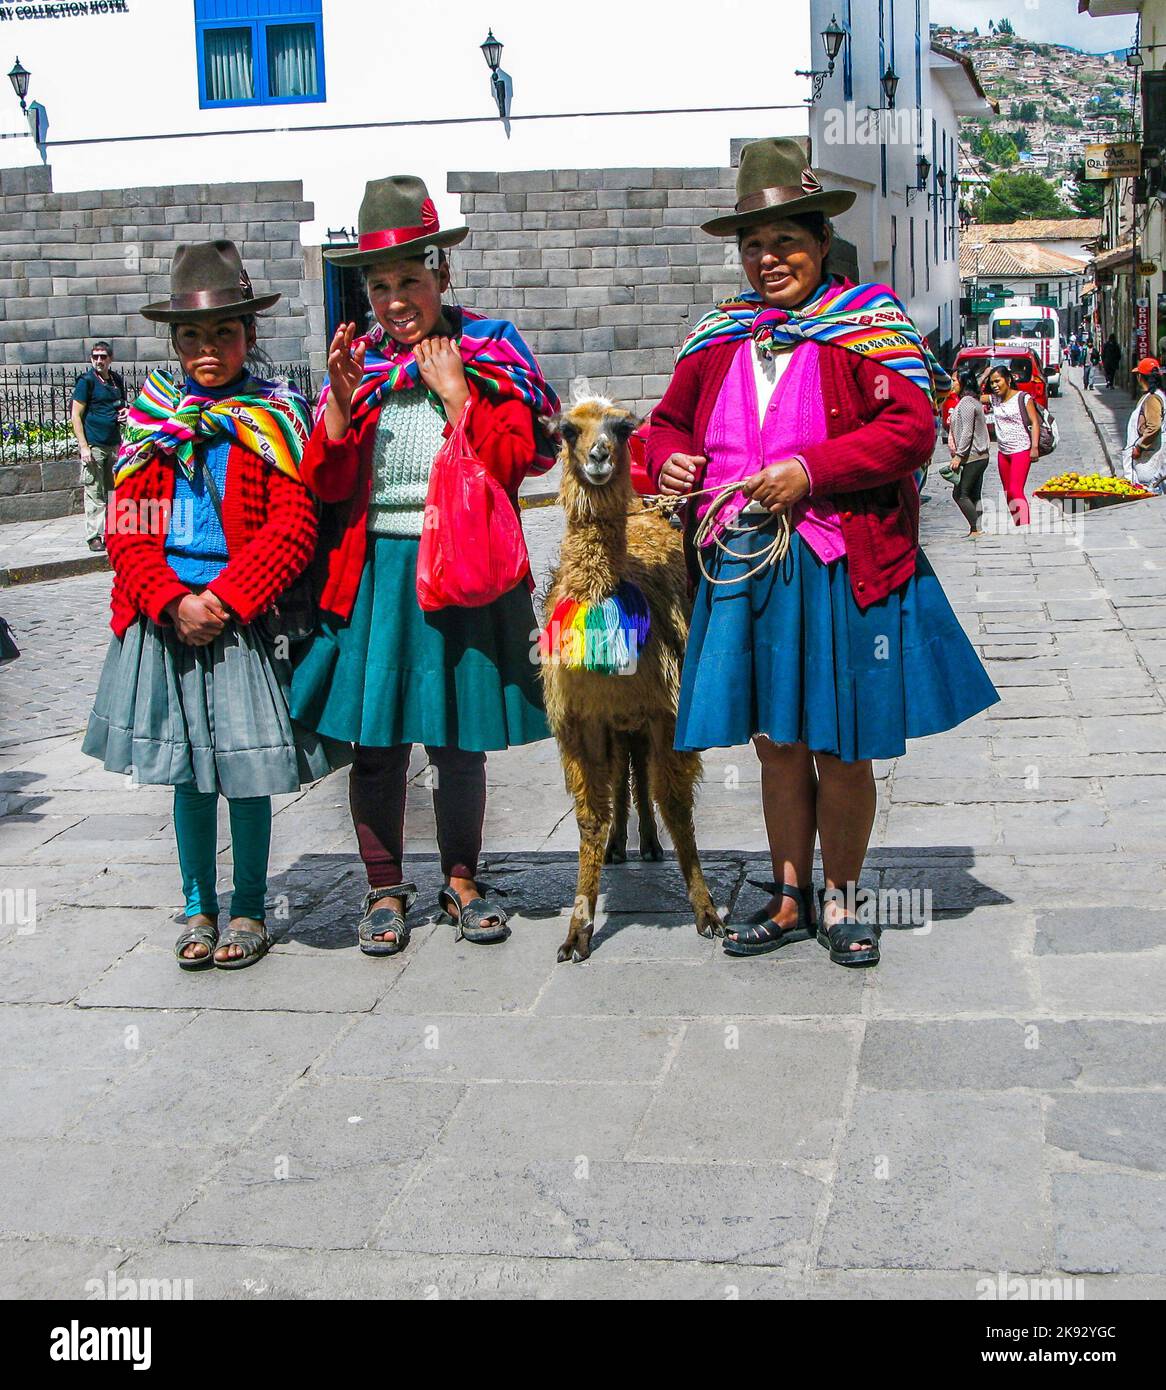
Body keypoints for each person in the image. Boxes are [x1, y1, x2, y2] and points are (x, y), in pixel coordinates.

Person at [647, 137, 998, 968]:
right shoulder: (720, 336)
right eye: (755, 245)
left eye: (787, 241)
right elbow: (662, 426)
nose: (770, 259)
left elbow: (910, 431)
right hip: (743, 564)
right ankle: (787, 893)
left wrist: (812, 469)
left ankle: (841, 896)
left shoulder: (865, 327)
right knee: (778, 742)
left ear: (820, 244)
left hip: (841, 560)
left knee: (841, 743)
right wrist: (664, 457)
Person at [290, 176, 558, 956]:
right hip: (378, 574)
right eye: (380, 286)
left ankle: (463, 878)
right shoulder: (361, 367)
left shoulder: (487, 353)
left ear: (442, 275)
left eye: (411, 280)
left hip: (463, 569)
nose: (397, 299)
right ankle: (382, 888)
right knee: (377, 743)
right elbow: (329, 484)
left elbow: (517, 459)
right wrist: (338, 409)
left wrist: (458, 398)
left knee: (455, 738)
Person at [83, 241, 345, 971]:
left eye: (224, 333)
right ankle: (198, 903)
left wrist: (224, 600)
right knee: (189, 775)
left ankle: (253, 907)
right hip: (165, 623)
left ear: (249, 336)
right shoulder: (152, 421)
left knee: (244, 770)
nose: (207, 349)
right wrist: (171, 602)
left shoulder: (276, 418)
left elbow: (295, 527)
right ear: (174, 342)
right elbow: (127, 528)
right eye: (192, 336)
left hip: (241, 621)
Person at [71, 340, 127, 552]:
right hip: (94, 445)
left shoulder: (116, 380)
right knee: (95, 491)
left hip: (114, 443)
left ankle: (112, 533)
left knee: (114, 491)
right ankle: (94, 536)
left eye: (103, 356)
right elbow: (76, 415)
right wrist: (83, 446)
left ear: (110, 359)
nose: (99, 360)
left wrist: (125, 413)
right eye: (95, 356)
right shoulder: (86, 382)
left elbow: (121, 405)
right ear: (91, 359)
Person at [987, 364, 1041, 527]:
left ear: (1008, 380)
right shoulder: (994, 399)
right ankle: (1018, 523)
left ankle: (1025, 525)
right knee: (1007, 493)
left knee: (1015, 490)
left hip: (1021, 450)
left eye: (998, 381)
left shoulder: (1023, 398)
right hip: (1003, 452)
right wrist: (984, 376)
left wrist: (1034, 447)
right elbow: (973, 395)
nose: (995, 386)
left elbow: (1034, 422)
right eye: (992, 383)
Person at [947, 368, 991, 536]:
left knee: (961, 494)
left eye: (955, 381)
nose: (952, 384)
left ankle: (976, 528)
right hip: (978, 455)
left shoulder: (966, 403)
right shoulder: (972, 401)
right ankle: (977, 527)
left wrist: (959, 455)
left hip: (973, 455)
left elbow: (967, 432)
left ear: (964, 382)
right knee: (974, 493)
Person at [1120, 357, 1166, 492]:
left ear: (1140, 377)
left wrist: (1139, 447)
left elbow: (1154, 426)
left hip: (1148, 458)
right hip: (1149, 456)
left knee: (1149, 489)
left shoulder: (1152, 398)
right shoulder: (1154, 395)